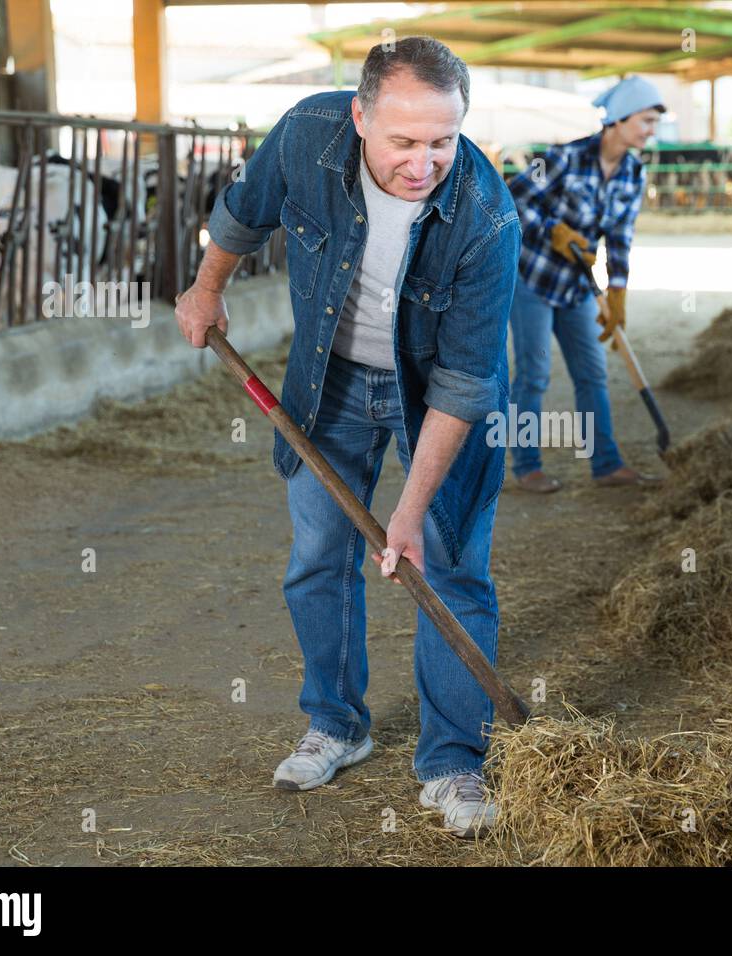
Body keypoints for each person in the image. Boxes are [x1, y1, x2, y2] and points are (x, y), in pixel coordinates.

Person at [174, 37, 520, 838]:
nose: (424, 161)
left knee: (451, 567)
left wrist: (409, 510)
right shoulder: (306, 135)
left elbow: (468, 383)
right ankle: (338, 722)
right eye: (403, 140)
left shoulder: (487, 215)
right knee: (319, 559)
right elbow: (244, 212)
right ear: (360, 115)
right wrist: (205, 288)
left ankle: (454, 762)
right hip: (326, 381)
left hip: (436, 400)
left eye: (443, 140)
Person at [505, 75, 666, 493]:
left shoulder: (633, 173)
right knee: (534, 374)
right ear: (618, 119)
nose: (652, 130)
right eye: (646, 120)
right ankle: (527, 466)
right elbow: (511, 198)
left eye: (654, 123)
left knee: (592, 373)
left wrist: (618, 291)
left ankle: (607, 464)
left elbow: (620, 237)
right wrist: (554, 231)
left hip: (577, 286)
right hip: (533, 280)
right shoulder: (565, 157)